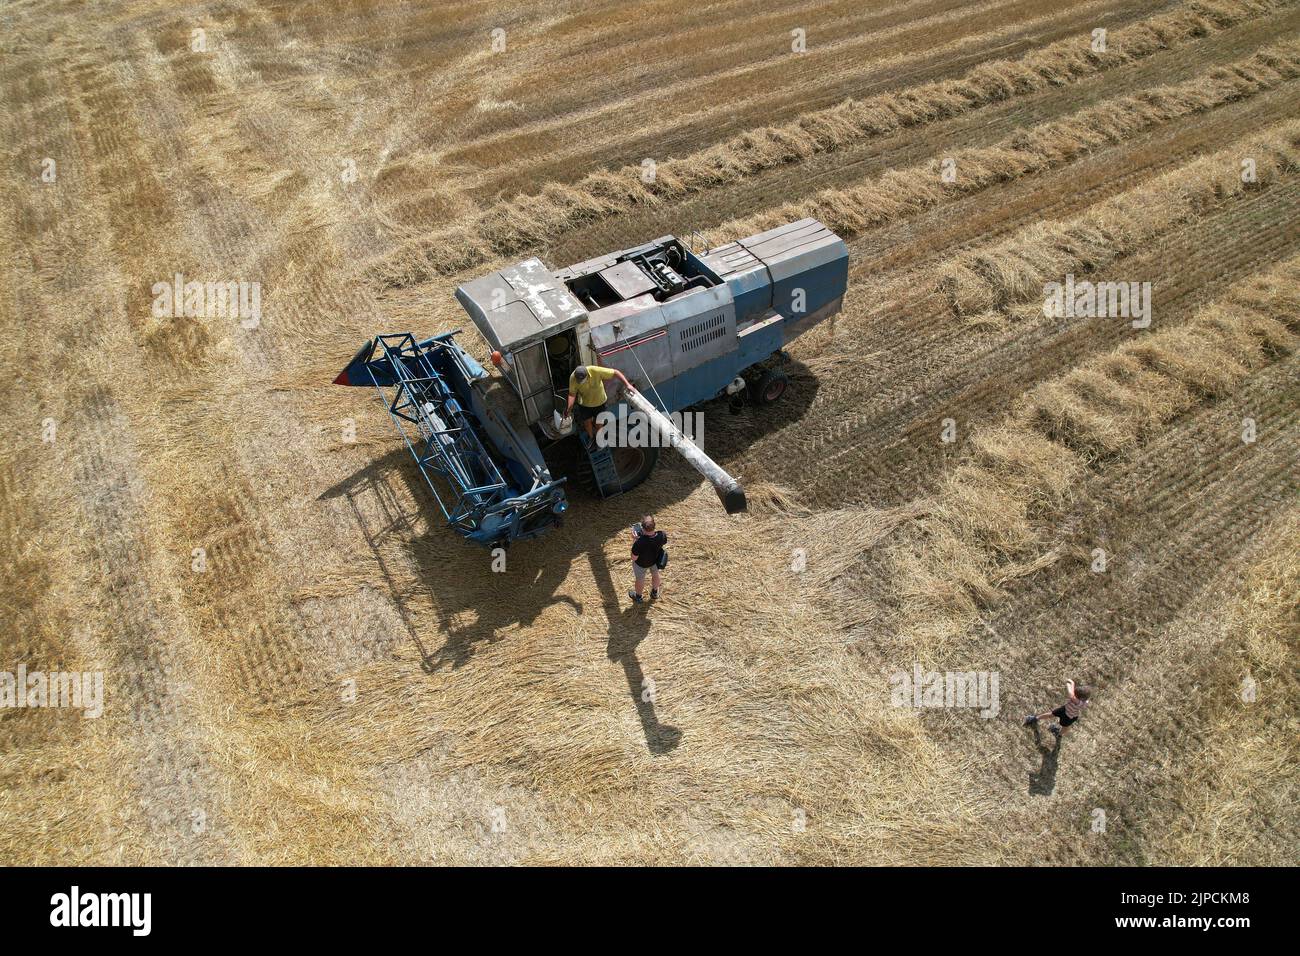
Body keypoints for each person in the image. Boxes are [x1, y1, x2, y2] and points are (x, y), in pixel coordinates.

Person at [565, 365, 634, 443]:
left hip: (600, 403)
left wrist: (627, 385)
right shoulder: (573, 378)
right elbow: (572, 394)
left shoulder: (595, 371)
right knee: (587, 423)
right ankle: (591, 438)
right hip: (584, 404)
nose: (580, 382)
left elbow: (616, 372)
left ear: (587, 375)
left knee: (599, 424)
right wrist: (569, 408)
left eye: (582, 380)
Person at [1024, 679, 1092, 739]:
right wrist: (1072, 685)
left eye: (1076, 695)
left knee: (1065, 726)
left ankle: (1059, 734)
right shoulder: (1083, 701)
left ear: (1081, 698)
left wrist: (1071, 684)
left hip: (1069, 717)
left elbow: (1071, 695)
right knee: (1052, 714)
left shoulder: (1079, 702)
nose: (1074, 695)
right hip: (1065, 710)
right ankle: (1035, 718)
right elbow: (1073, 695)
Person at [628, 515, 667, 604]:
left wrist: (635, 540)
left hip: (641, 564)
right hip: (655, 561)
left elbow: (633, 557)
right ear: (654, 525)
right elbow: (661, 542)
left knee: (640, 579)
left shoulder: (639, 542)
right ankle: (654, 593)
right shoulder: (662, 535)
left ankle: (638, 597)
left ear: (642, 528)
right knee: (656, 574)